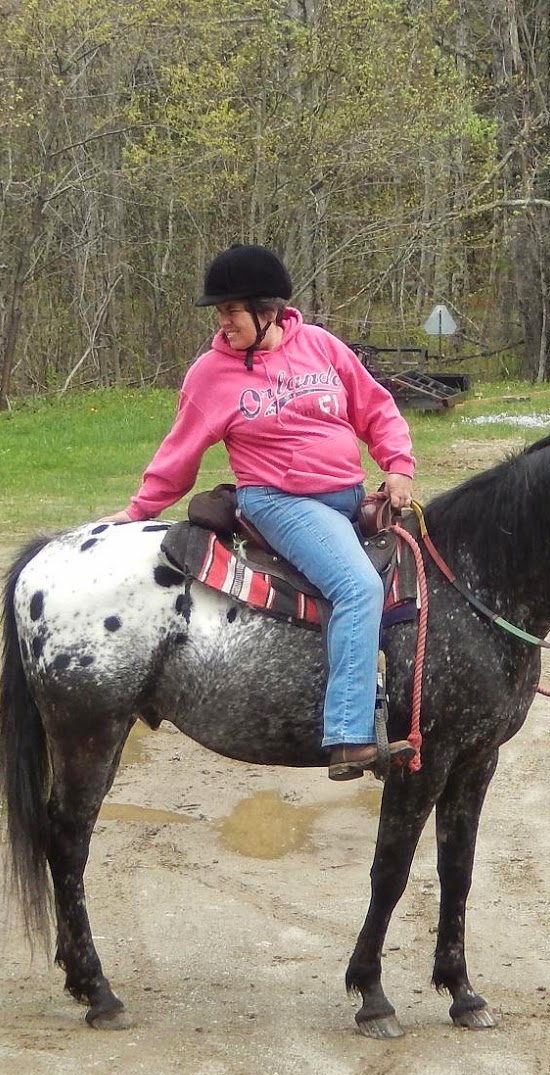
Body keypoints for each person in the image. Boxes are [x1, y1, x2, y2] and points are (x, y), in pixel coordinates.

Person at [100, 244, 417, 781]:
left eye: (232, 311)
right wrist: (136, 513)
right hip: (280, 501)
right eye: (220, 312)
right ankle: (348, 735)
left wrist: (399, 465)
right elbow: (179, 455)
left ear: (267, 311)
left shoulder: (320, 345)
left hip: (350, 497)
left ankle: (409, 707)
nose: (223, 323)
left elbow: (376, 408)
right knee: (358, 587)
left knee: (423, 575)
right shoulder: (210, 375)